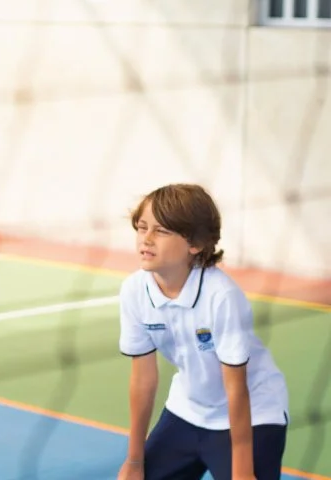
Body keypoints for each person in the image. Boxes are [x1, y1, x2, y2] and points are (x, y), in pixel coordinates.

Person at [117, 184, 290, 480]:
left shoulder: (221, 296)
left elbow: (236, 389)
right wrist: (134, 461)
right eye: (142, 228)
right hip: (187, 410)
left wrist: (242, 472)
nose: (146, 238)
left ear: (195, 243)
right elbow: (143, 379)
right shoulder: (134, 290)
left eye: (161, 231)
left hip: (253, 414)